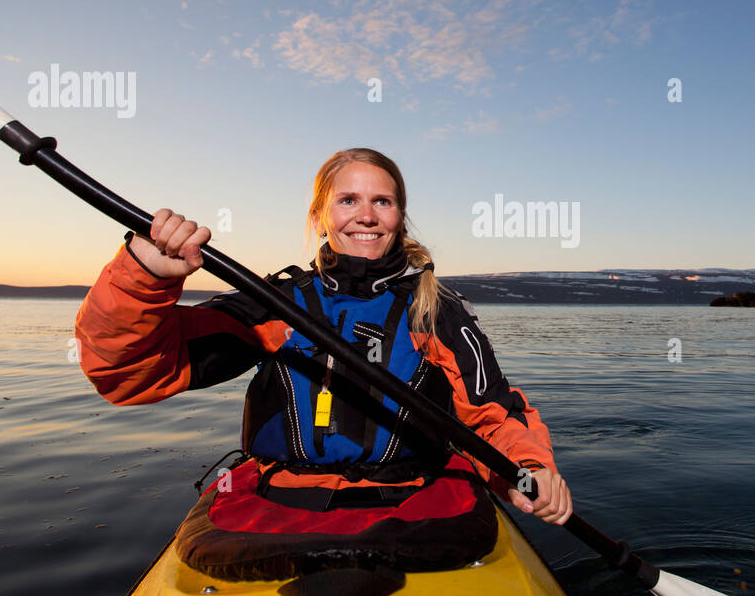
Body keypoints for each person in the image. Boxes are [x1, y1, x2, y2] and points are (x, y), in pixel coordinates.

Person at [74, 147, 572, 525]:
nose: (367, 215)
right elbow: (129, 375)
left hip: (412, 503)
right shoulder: (275, 303)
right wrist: (143, 277)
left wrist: (530, 471)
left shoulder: (435, 310)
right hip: (280, 504)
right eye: (349, 200)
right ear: (320, 215)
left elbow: (493, 415)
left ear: (399, 217)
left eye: (383, 201)